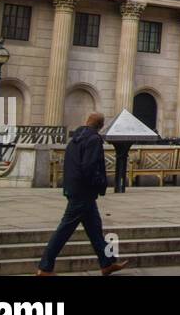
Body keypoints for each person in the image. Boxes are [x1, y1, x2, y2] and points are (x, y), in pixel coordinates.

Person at [36, 113, 128, 276]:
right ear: (100, 126)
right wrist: (100, 183)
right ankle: (45, 268)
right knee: (64, 230)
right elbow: (89, 166)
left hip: (75, 189)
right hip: (83, 192)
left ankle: (107, 264)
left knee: (95, 229)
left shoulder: (75, 140)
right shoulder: (93, 139)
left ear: (87, 122)